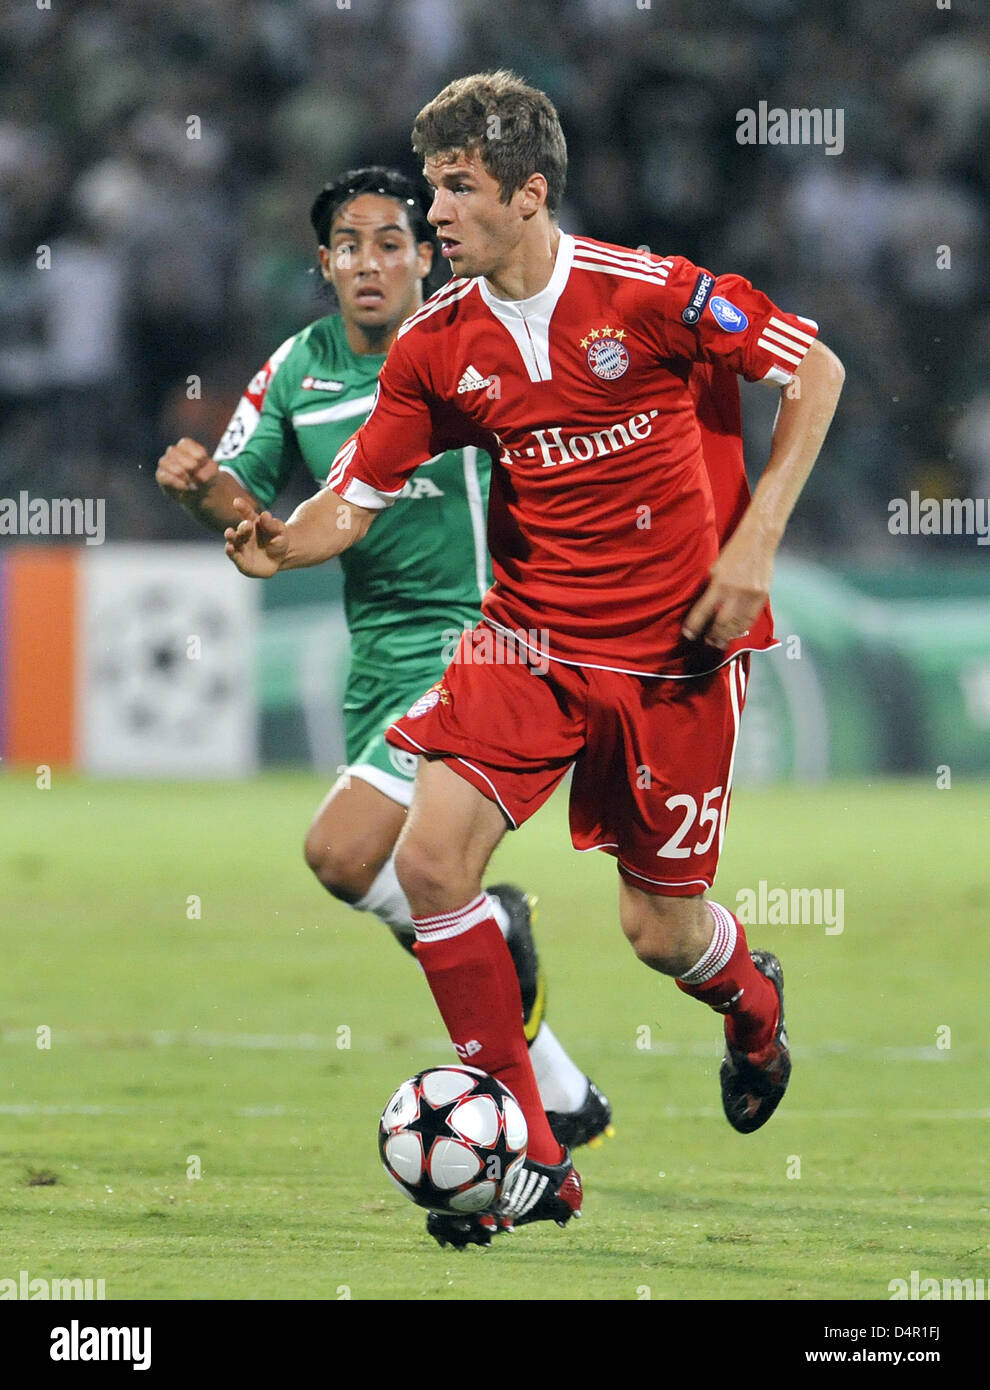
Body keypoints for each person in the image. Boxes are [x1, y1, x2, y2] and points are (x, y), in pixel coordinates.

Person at [224, 73, 845, 1250]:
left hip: (673, 657)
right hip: (526, 639)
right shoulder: (435, 346)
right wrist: (280, 542)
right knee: (434, 861)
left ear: (528, 191)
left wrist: (754, 542)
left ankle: (752, 1007)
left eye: (456, 190)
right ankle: (535, 1155)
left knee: (660, 932)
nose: (435, 214)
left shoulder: (652, 295)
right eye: (435, 187)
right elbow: (353, 497)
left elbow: (816, 371)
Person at [156, 165, 612, 1153]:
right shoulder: (294, 367)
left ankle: (522, 1099)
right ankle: (561, 1092)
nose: (372, 263)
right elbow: (257, 517)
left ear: (423, 253)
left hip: (477, 635)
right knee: (418, 890)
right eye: (350, 246)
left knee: (345, 850)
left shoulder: (473, 337)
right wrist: (204, 493)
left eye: (392, 242)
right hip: (376, 654)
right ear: (324, 263)